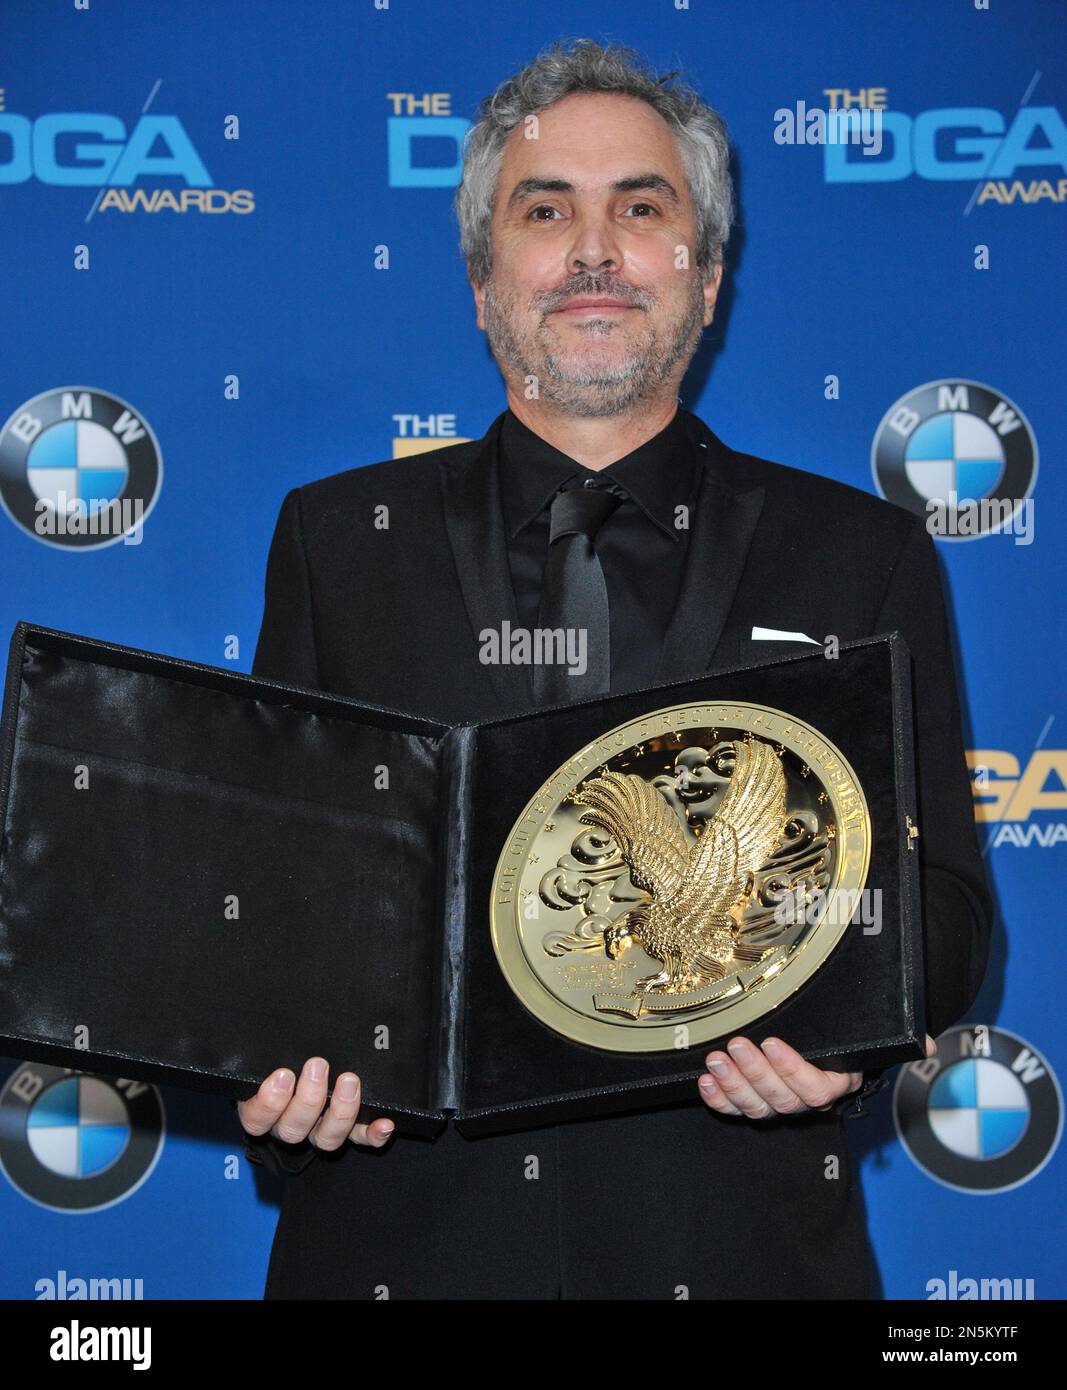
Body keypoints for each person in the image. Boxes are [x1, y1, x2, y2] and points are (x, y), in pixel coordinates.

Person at [237, 38, 991, 1299]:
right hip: (402, 1252)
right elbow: (271, 886)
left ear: (705, 281)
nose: (594, 252)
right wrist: (273, 1058)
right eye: (545, 212)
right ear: (483, 282)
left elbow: (948, 905)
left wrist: (848, 1034)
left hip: (738, 1250)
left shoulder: (860, 553)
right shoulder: (335, 540)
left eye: (640, 209)